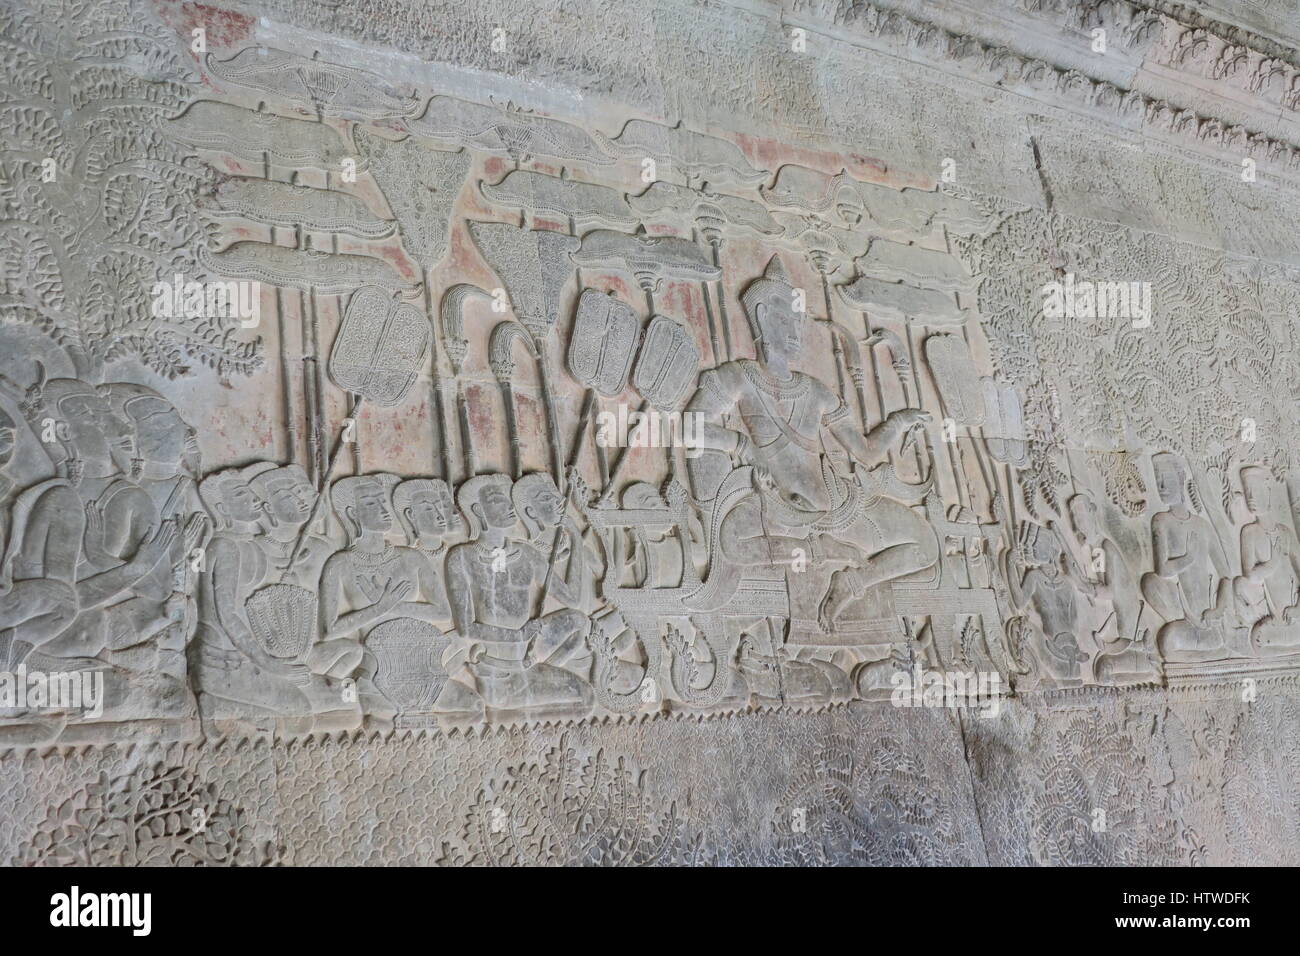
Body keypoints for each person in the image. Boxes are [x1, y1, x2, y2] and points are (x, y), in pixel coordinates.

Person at [684, 255, 936, 631]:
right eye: (787, 318)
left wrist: (898, 422)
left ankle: (852, 581)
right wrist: (742, 446)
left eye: (799, 321)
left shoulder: (815, 391)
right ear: (764, 316)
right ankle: (827, 552)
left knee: (926, 545)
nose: (795, 330)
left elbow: (865, 451)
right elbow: (692, 428)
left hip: (837, 503)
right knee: (731, 540)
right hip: (779, 508)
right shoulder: (739, 377)